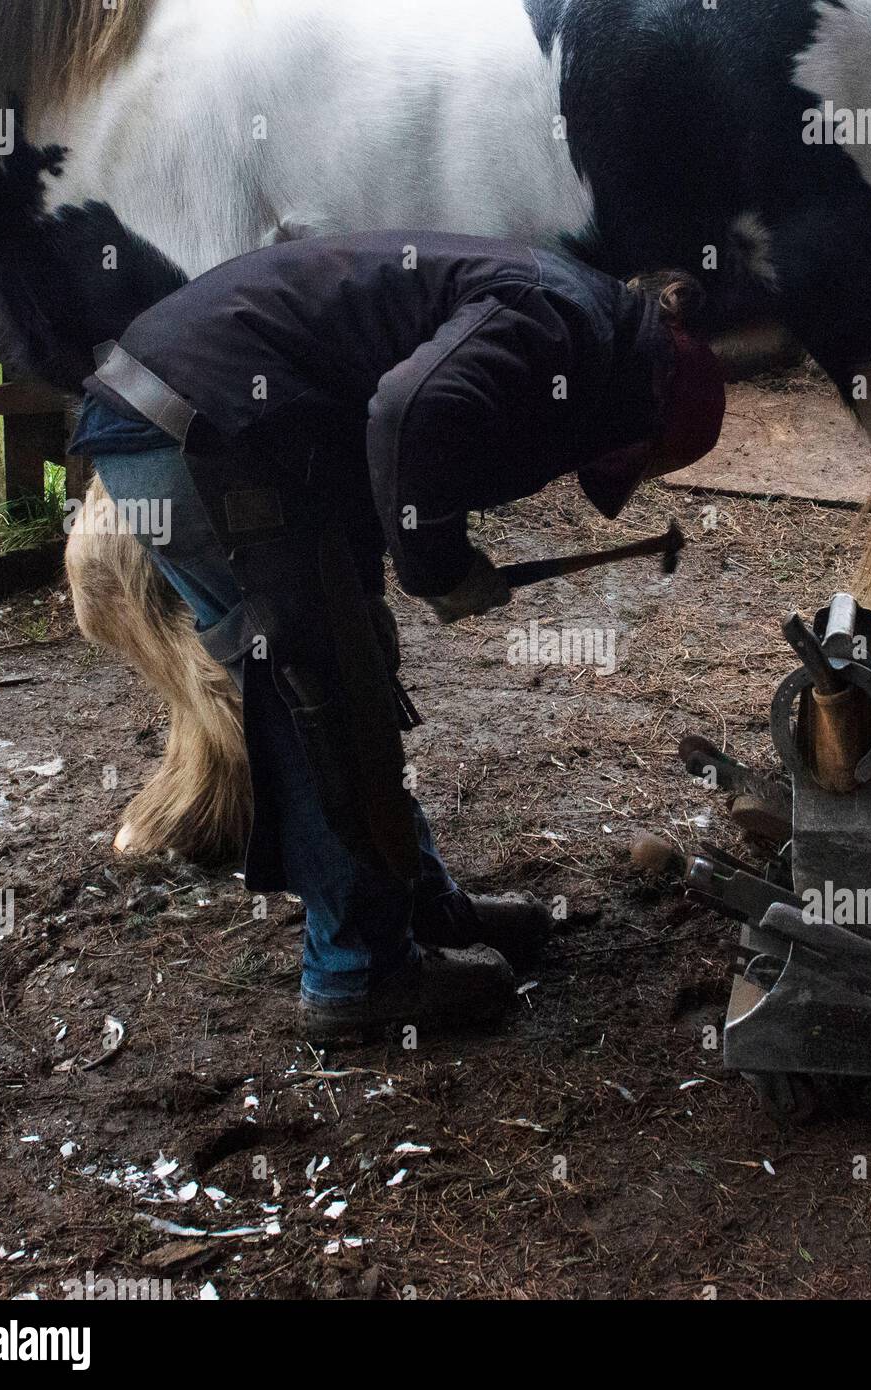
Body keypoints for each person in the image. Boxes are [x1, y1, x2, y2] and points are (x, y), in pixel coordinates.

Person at [67, 231, 727, 1040]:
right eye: (638, 454)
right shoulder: (561, 325)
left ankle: (418, 908)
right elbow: (409, 413)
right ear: (648, 403)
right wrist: (441, 565)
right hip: (207, 434)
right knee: (319, 697)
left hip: (221, 423)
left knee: (353, 672)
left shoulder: (575, 310)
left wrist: (396, 569)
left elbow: (377, 408)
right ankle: (355, 975)